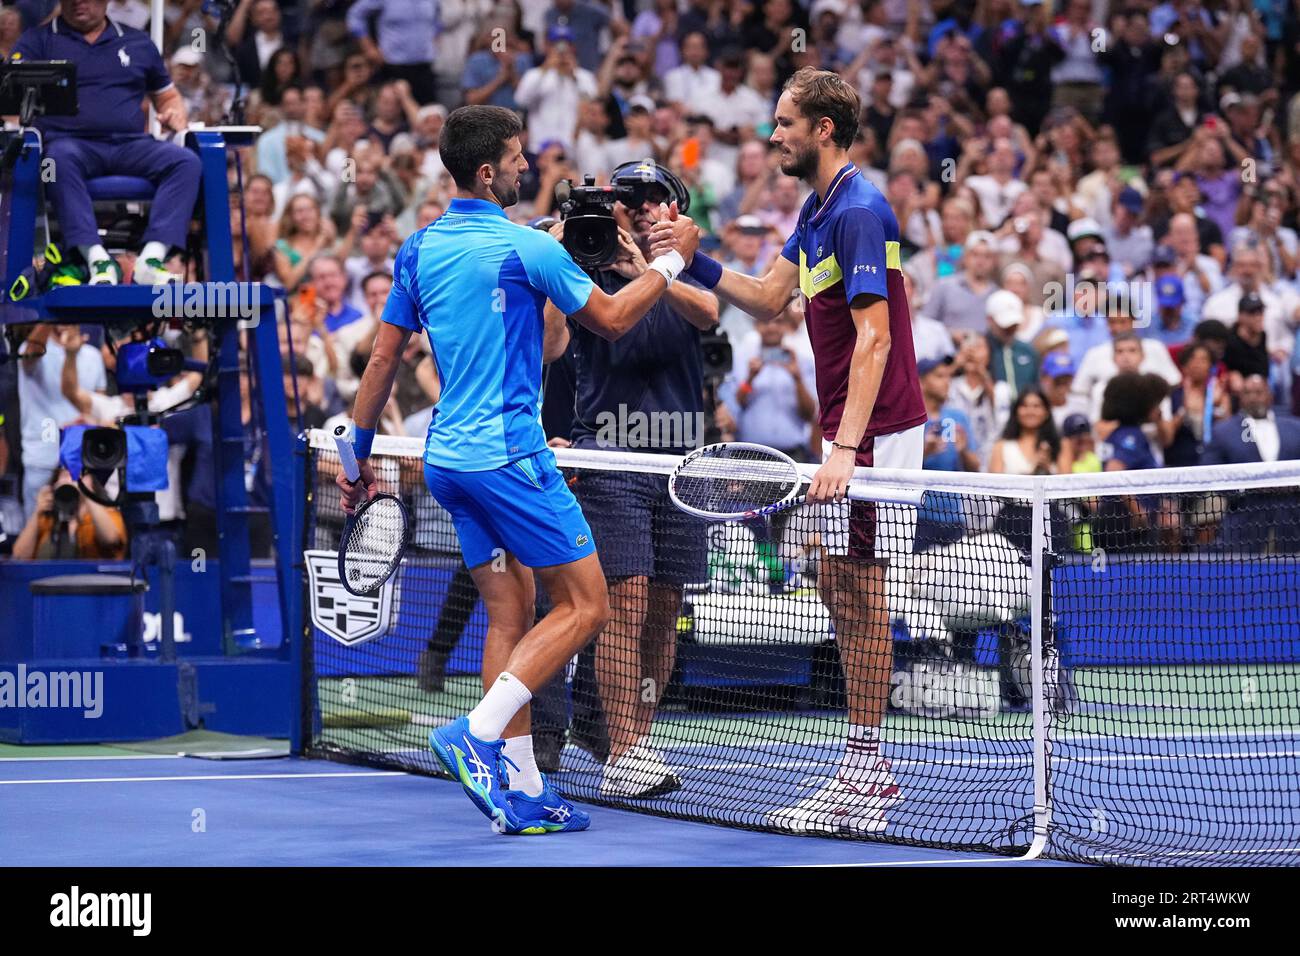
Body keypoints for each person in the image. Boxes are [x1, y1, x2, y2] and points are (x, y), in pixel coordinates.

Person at [337, 105, 697, 836]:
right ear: (488, 171)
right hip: (509, 458)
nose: (529, 167)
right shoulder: (526, 249)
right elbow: (617, 318)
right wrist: (668, 262)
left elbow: (383, 360)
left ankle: (522, 787)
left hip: (447, 462)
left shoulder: (418, 249)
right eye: (517, 156)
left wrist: (357, 455)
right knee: (588, 606)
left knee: (511, 611)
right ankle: (477, 732)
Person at [655, 67, 927, 834]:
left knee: (860, 591)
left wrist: (848, 447)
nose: (772, 135)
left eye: (783, 123)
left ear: (823, 130)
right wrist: (693, 259)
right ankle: (862, 764)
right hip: (849, 427)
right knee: (842, 587)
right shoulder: (817, 209)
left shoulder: (862, 212)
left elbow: (875, 336)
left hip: (876, 430)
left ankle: (868, 774)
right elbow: (771, 298)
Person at [546, 160, 720, 799]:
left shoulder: (690, 261)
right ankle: (623, 751)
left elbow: (706, 314)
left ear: (675, 210)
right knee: (625, 601)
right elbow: (556, 346)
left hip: (680, 462)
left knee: (666, 607)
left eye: (656, 200)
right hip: (611, 456)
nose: (645, 211)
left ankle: (641, 736)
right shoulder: (582, 266)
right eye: (633, 201)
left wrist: (651, 272)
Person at [12, 0, 200, 285]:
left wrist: (175, 114)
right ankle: (96, 259)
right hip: (69, 146)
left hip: (131, 145)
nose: (78, 2)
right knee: (54, 160)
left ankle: (151, 259)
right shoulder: (37, 41)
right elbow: (9, 98)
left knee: (186, 162)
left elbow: (168, 96)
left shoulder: (137, 41)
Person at [1200, 375, 1300, 553]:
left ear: (1270, 396)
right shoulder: (1222, 431)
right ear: (1240, 397)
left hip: (1292, 524)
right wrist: (1249, 488)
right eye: (1248, 392)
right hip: (1245, 522)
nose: (1254, 397)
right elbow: (1210, 472)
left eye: (1259, 392)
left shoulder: (1295, 427)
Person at [10, 466, 126, 560]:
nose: (72, 479)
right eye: (66, 474)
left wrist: (87, 495)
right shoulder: (47, 519)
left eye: (79, 475)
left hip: (93, 583)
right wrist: (37, 512)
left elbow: (111, 539)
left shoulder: (107, 514)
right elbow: (19, 556)